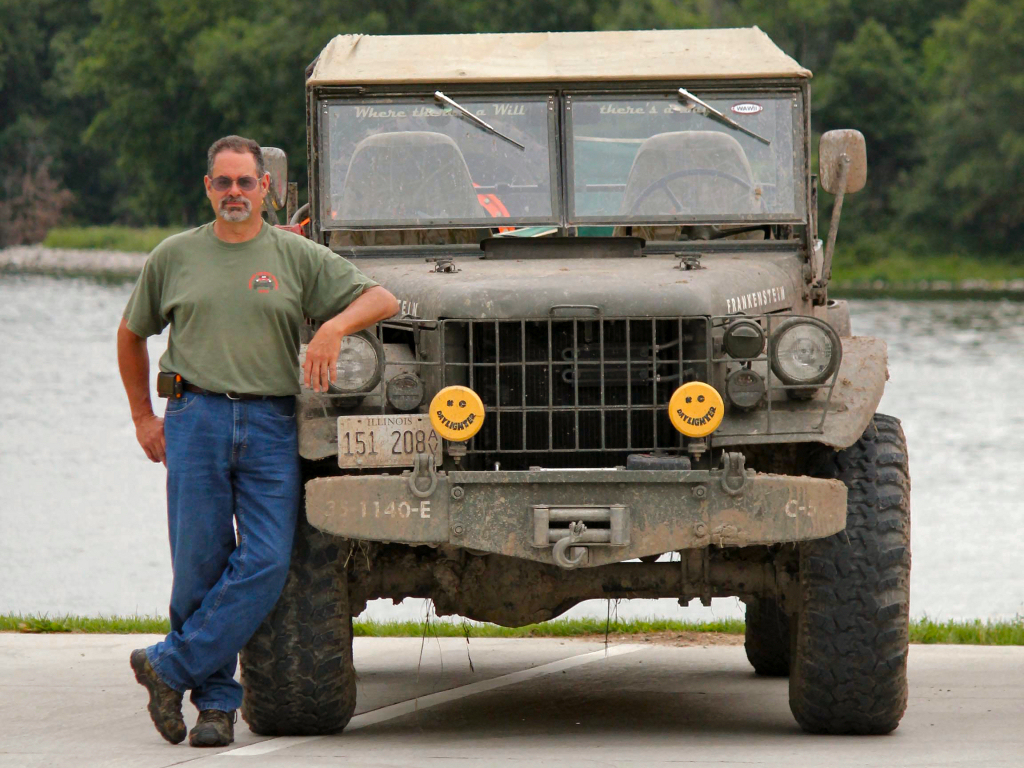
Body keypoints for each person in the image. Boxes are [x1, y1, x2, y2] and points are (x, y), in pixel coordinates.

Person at [116, 135, 398, 747]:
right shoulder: (174, 256)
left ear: (265, 187)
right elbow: (131, 332)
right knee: (198, 566)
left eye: (246, 182)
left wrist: (331, 328)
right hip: (194, 417)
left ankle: (167, 666)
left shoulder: (295, 256)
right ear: (208, 187)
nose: (235, 193)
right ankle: (215, 707)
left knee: (268, 561)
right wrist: (143, 418)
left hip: (272, 423)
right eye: (224, 183)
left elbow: (382, 297)